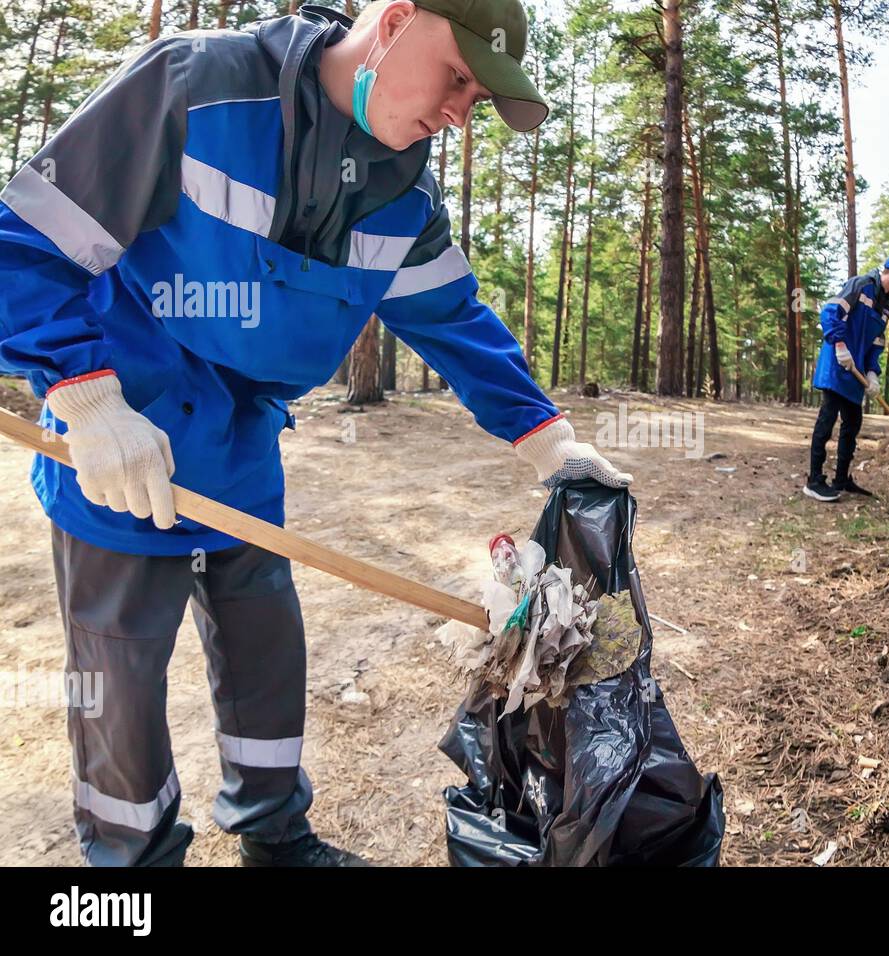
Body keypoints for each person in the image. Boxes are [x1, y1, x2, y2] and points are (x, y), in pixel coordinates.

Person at [0, 0, 629, 867]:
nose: (456, 113)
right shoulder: (197, 86)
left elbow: (455, 320)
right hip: (126, 446)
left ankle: (276, 837)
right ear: (397, 20)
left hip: (243, 449)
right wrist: (86, 397)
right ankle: (130, 869)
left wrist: (547, 437)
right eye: (455, 77)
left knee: (266, 653)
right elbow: (27, 239)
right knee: (119, 685)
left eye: (475, 101)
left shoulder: (402, 193)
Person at [803, 253, 889, 502]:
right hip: (838, 364)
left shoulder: (887, 305)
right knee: (827, 418)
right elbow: (830, 313)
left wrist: (872, 373)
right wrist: (839, 345)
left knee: (853, 422)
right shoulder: (861, 285)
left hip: (855, 372)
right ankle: (814, 481)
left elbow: (875, 343)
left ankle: (842, 479)